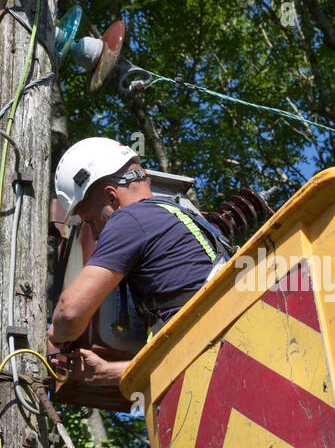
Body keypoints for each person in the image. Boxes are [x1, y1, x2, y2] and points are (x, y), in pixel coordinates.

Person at [48, 137, 230, 391]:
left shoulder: (129, 219)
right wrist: (105, 372)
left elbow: (69, 314)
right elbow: (186, 350)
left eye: (89, 220)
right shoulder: (182, 218)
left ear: (111, 197)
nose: (96, 234)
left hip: (208, 377)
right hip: (222, 365)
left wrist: (54, 336)